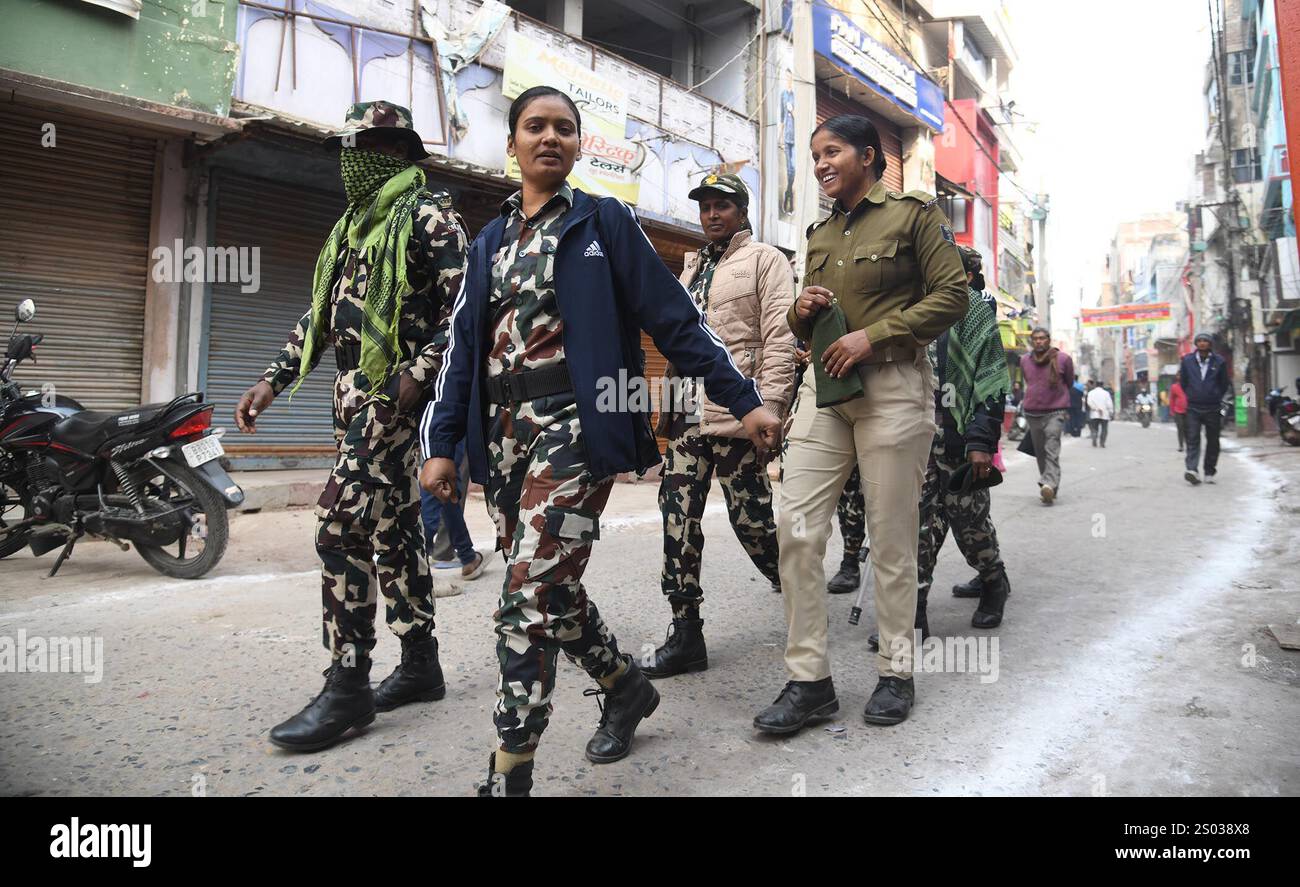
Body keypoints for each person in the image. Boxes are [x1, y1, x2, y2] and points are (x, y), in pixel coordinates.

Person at [417, 87, 783, 796]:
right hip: (506, 442)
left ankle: (508, 776)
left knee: (524, 602)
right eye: (534, 126)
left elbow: (678, 322)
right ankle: (625, 686)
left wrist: (746, 399)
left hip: (580, 432)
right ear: (513, 144)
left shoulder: (600, 222)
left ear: (579, 146)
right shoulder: (490, 241)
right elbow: (460, 354)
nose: (549, 137)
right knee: (550, 592)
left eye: (563, 128)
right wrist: (441, 444)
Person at [234, 101, 468, 751]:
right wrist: (271, 380)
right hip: (351, 403)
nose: (348, 158)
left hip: (394, 405)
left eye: (360, 145)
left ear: (393, 150)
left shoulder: (428, 215)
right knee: (392, 532)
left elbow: (469, 306)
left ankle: (348, 683)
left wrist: (419, 372)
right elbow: (322, 315)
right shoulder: (352, 227)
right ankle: (420, 662)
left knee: (338, 522)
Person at [754, 113, 967, 735]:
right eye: (816, 155)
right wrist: (800, 310)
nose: (821, 164)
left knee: (892, 536)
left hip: (894, 387)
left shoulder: (913, 215)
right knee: (795, 528)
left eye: (833, 152)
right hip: (826, 391)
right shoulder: (818, 235)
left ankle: (896, 671)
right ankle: (810, 681)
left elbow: (952, 295)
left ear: (869, 156)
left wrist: (873, 337)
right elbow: (806, 325)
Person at [646, 172, 797, 677]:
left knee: (751, 522)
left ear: (742, 211)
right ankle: (686, 632)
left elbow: (778, 336)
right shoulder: (689, 270)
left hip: (738, 412)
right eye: (706, 206)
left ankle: (797, 589)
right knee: (677, 517)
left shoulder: (765, 260)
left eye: (723, 206)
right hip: (689, 414)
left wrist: (771, 407)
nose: (712, 214)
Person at [868, 244, 1012, 648]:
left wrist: (980, 442)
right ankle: (912, 617)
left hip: (959, 441)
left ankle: (993, 581)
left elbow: (991, 383)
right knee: (914, 529)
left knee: (971, 527)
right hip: (913, 440)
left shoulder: (975, 312)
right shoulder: (909, 308)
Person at [1019, 328, 1074, 504]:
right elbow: (1029, 382)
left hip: (1055, 411)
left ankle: (1049, 483)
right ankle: (1049, 486)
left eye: (1042, 338)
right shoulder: (1024, 360)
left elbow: (1069, 382)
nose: (1039, 342)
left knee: (1051, 448)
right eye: (1035, 339)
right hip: (1032, 412)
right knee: (1040, 451)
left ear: (1049, 340)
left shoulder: (1063, 359)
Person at [420, 438, 486, 580]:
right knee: (438, 478)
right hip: (442, 425)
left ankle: (466, 555)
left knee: (446, 485)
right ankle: (416, 562)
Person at [1179, 332, 1230, 484]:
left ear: (1210, 344)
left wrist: (1214, 395)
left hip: (1213, 407)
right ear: (1196, 343)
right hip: (1193, 407)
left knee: (1213, 440)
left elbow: (1224, 383)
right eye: (1199, 341)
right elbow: (1184, 382)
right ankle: (1192, 470)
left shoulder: (1219, 361)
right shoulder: (1187, 361)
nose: (1202, 343)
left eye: (1205, 341)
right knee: (1193, 439)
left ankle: (1209, 471)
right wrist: (1191, 394)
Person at [1086, 379, 1114, 447]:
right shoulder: (1106, 393)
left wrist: (1096, 409)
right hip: (1104, 414)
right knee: (1104, 429)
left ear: (1095, 385)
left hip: (1094, 413)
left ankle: (1094, 438)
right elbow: (1109, 404)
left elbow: (1089, 402)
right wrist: (1111, 412)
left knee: (1094, 428)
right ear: (1102, 385)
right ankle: (1102, 443)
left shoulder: (1091, 393)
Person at [1169, 377, 1188, 451]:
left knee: (1188, 429)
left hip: (1189, 411)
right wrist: (1172, 410)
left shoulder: (1189, 386)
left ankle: (1189, 444)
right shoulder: (1174, 387)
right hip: (1178, 411)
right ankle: (1181, 445)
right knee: (1180, 428)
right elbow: (1172, 399)